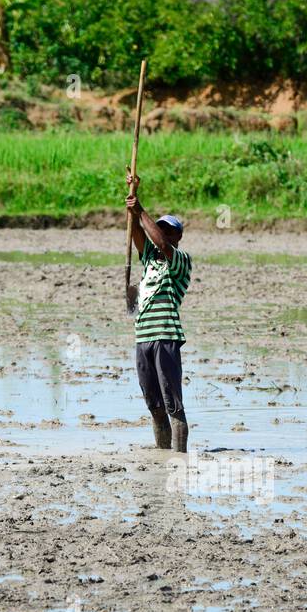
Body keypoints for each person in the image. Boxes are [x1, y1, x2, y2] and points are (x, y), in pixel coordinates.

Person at [126, 173, 194, 452]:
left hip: (166, 336)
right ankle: (162, 454)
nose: (163, 233)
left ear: (177, 236)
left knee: (172, 404)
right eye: (161, 228)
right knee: (154, 405)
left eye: (168, 230)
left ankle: (179, 458)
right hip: (143, 337)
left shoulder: (180, 260)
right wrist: (131, 202)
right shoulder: (149, 259)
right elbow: (137, 233)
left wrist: (141, 210)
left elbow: (161, 244)